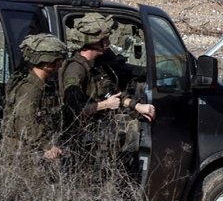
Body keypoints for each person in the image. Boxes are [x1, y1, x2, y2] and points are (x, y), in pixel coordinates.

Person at [60, 11, 155, 170]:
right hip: (81, 143)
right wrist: (104, 105)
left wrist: (138, 106)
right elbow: (73, 110)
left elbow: (112, 92)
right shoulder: (75, 70)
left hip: (98, 137)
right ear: (93, 41)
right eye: (104, 40)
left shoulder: (96, 65)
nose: (108, 43)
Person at [3, 33, 67, 164]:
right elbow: (25, 125)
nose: (60, 65)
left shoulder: (38, 84)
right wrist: (47, 146)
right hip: (23, 155)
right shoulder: (30, 89)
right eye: (58, 60)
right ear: (47, 63)